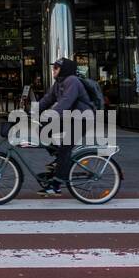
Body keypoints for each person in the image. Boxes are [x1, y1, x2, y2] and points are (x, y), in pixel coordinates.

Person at [36, 57, 93, 194]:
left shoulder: (72, 81)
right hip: (71, 118)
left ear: (64, 70)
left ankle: (56, 185)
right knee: (43, 128)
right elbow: (47, 100)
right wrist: (30, 112)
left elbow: (66, 102)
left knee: (66, 147)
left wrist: (50, 115)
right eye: (53, 67)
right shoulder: (58, 83)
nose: (53, 70)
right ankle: (60, 158)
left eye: (56, 68)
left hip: (83, 119)